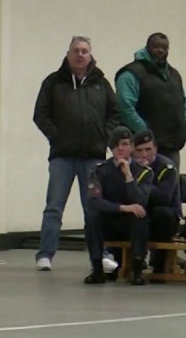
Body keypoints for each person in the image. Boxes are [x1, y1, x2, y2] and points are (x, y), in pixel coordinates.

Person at [30, 36, 121, 271]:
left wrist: (105, 136)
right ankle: (45, 255)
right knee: (54, 206)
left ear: (90, 55)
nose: (80, 55)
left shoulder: (102, 83)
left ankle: (101, 254)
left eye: (85, 51)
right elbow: (41, 114)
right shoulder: (53, 82)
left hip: (93, 156)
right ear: (68, 54)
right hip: (63, 155)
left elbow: (115, 113)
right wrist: (56, 136)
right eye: (76, 51)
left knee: (93, 208)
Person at [83, 127, 153, 285]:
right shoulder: (100, 170)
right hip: (110, 221)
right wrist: (123, 207)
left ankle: (136, 271)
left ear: (132, 146)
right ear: (110, 148)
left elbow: (141, 201)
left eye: (125, 144)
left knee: (140, 215)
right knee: (92, 216)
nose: (120, 148)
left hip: (129, 225)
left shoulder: (143, 171)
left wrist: (128, 176)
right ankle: (97, 270)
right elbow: (93, 200)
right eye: (116, 145)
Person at [115, 33, 185, 169]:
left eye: (164, 48)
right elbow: (125, 108)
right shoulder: (131, 74)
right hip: (143, 150)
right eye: (156, 46)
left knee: (170, 189)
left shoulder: (174, 75)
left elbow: (183, 104)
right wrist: (147, 135)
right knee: (142, 188)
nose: (160, 50)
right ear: (147, 47)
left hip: (172, 148)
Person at [130, 129, 180, 272]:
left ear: (156, 149)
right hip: (139, 214)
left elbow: (163, 198)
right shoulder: (128, 166)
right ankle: (125, 262)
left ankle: (159, 263)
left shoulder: (166, 167)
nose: (144, 154)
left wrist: (144, 179)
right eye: (139, 150)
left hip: (163, 216)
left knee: (161, 214)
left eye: (148, 149)